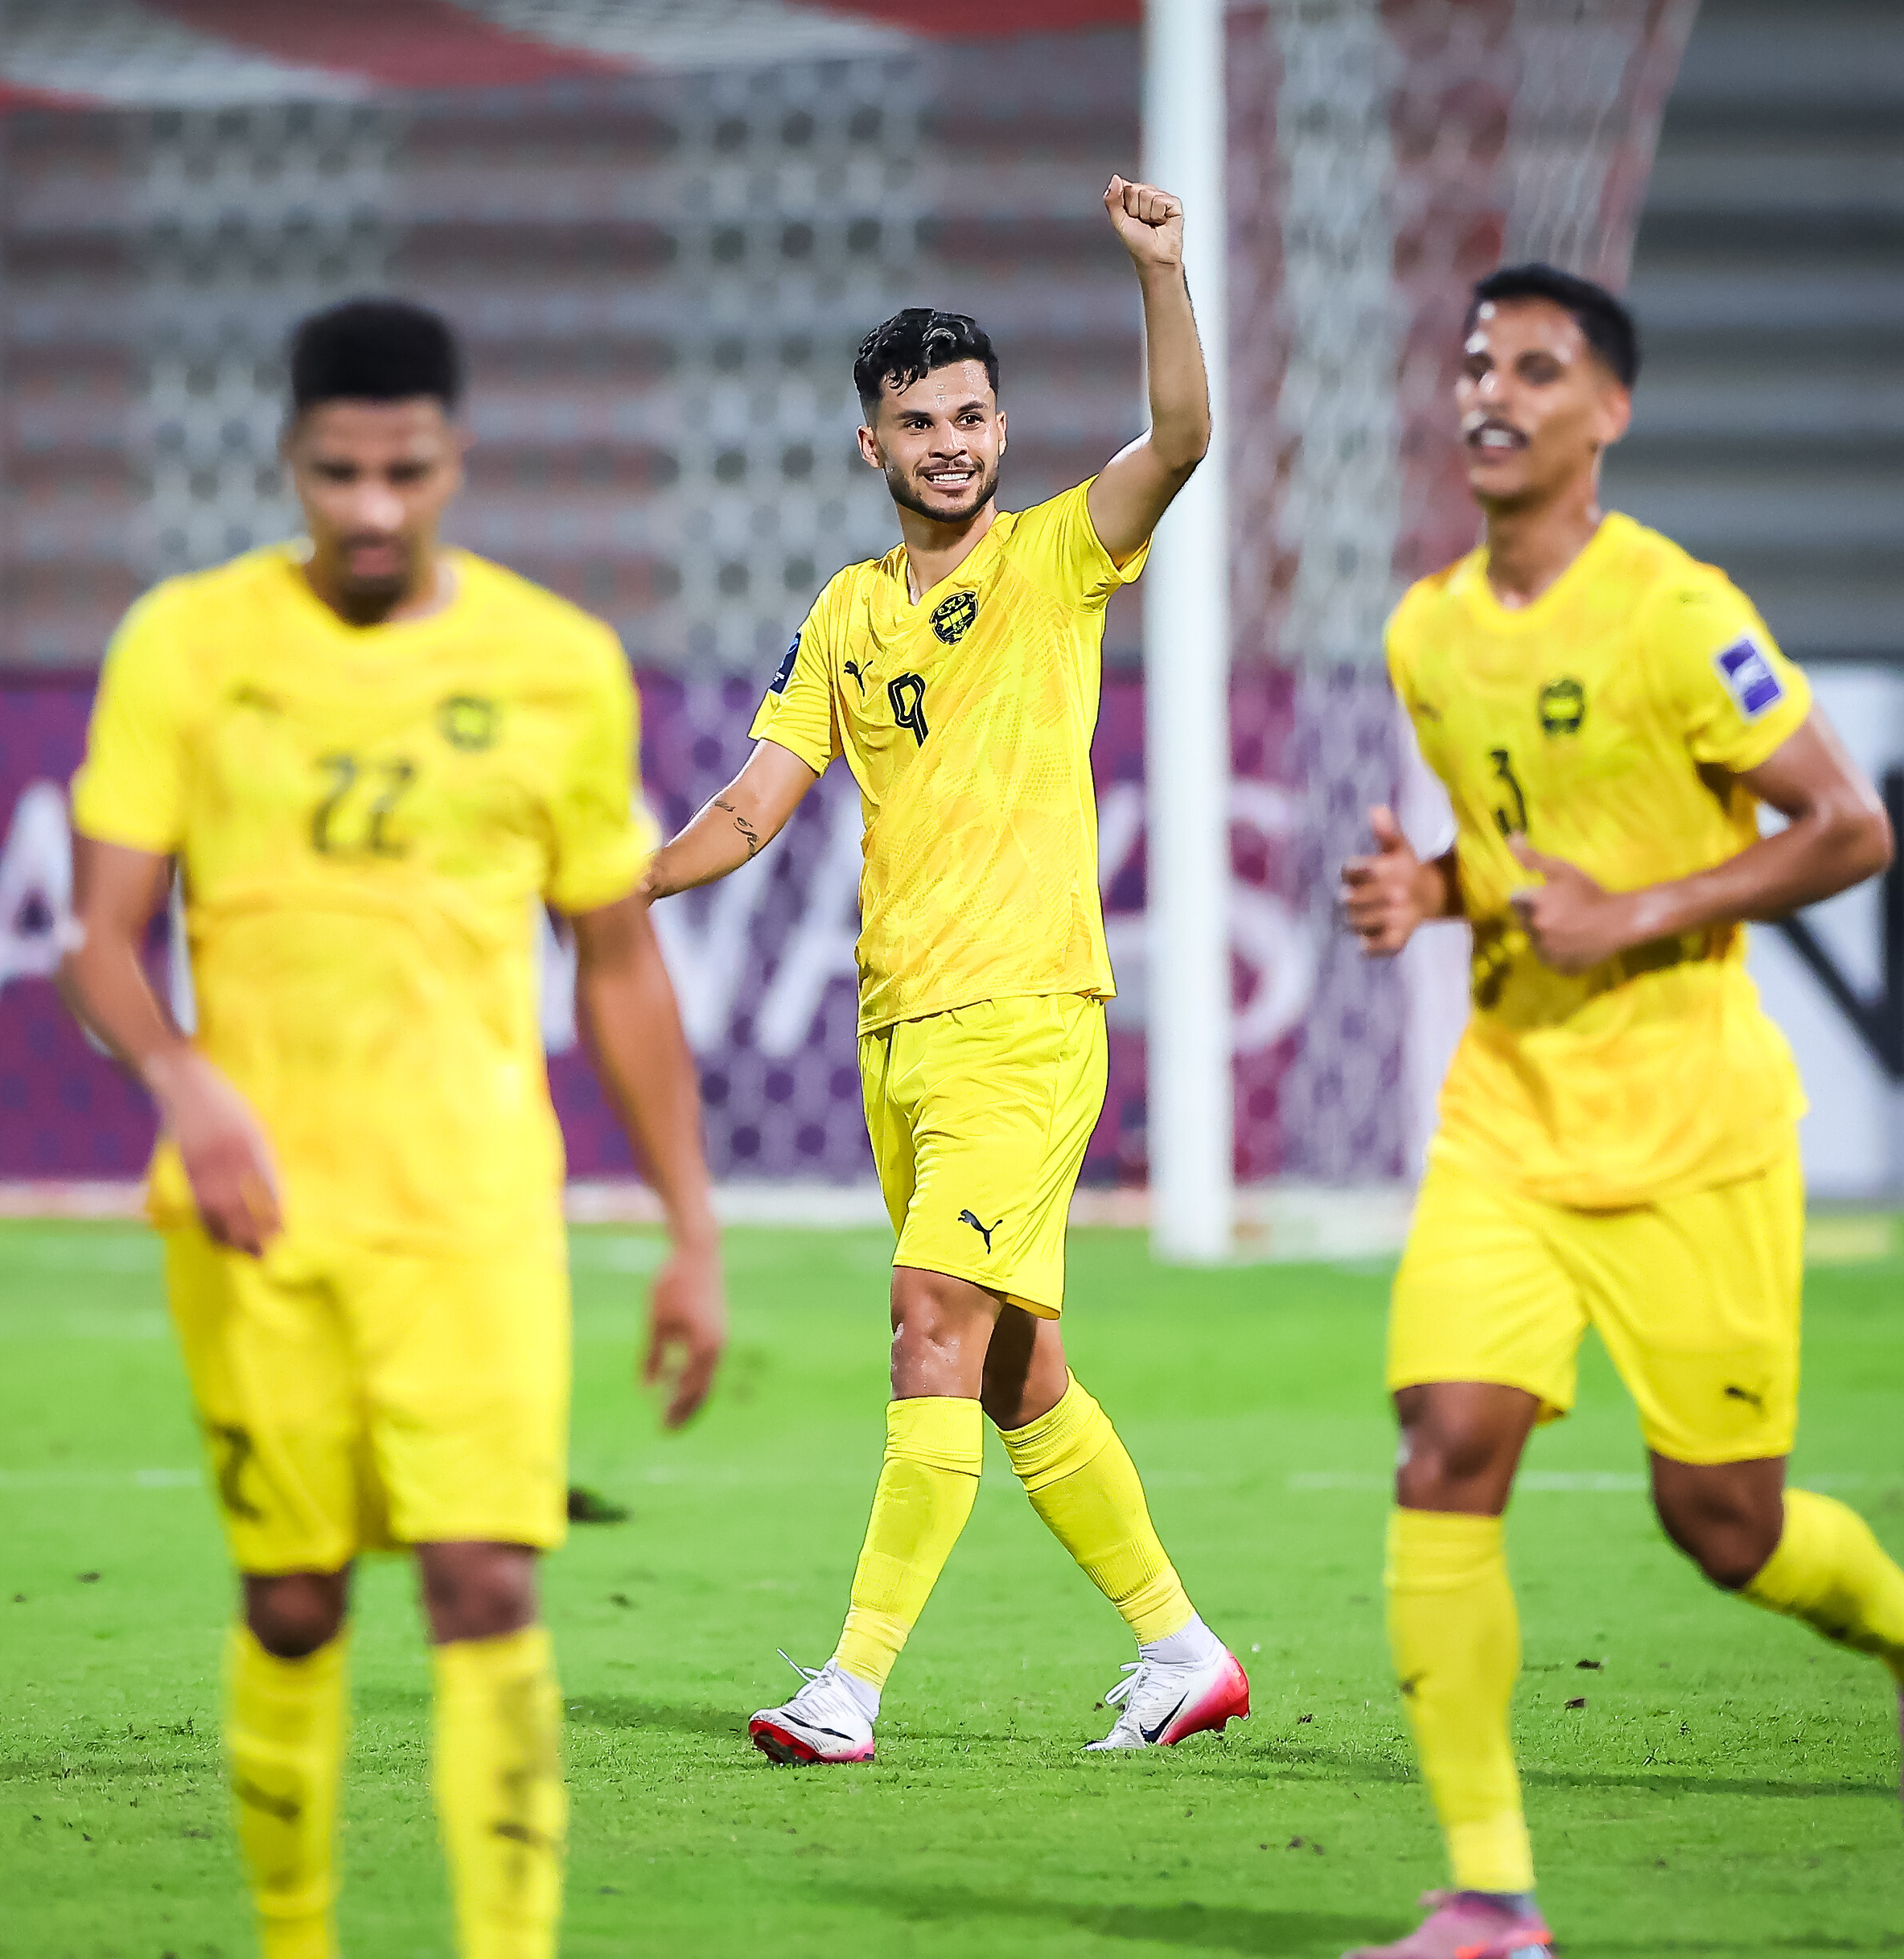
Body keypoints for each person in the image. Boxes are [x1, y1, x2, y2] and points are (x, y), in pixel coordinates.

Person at [1335, 264, 1904, 1959]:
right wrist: (1432, 889)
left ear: (1608, 413)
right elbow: (1521, 848)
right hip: (1507, 1116)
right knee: (1445, 1444)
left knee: (1724, 1524)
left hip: (1693, 1134)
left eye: (1536, 369)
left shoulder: (1676, 612)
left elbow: (1846, 826)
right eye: (1476, 364)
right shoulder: (1426, 634)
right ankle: (1489, 1898)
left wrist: (1634, 915)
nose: (1491, 392)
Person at [56, 298, 726, 1959]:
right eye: (337, 473)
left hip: (472, 1215)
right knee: (291, 1602)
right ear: (290, 462)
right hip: (254, 1214)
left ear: (456, 460)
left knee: (485, 1585)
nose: (371, 508)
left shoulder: (556, 664)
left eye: (405, 472)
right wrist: (185, 1079)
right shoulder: (184, 644)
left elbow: (617, 963)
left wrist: (690, 1230)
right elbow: (98, 943)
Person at [644, 177, 1248, 1764]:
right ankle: (1182, 1651)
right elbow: (755, 804)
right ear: (875, 446)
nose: (952, 444)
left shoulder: (1058, 558)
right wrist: (623, 879)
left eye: (971, 417)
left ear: (1001, 428)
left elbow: (1182, 438)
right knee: (1012, 1372)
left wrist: (1161, 277)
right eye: (919, 423)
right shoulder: (845, 614)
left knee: (928, 1320)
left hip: (1028, 1017)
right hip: (900, 1032)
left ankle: (848, 1689)